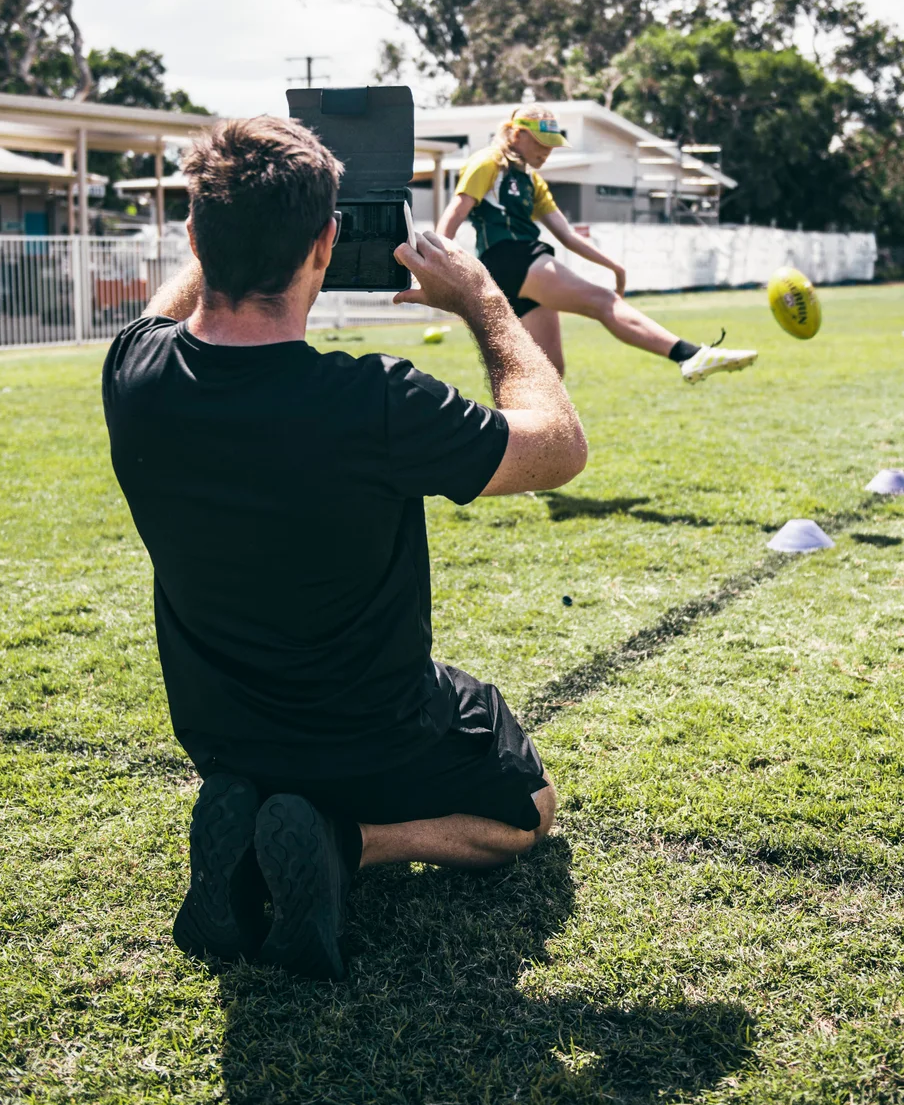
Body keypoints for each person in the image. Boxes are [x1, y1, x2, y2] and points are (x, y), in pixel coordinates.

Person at [101, 115, 587, 981]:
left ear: (193, 235)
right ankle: (347, 842)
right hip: (376, 737)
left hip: (227, 737)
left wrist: (239, 217)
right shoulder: (376, 402)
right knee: (528, 814)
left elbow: (173, 309)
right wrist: (482, 299)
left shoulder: (133, 375)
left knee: (309, 754)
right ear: (325, 243)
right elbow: (557, 445)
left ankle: (253, 832)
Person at [437, 105, 758, 382]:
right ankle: (689, 355)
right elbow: (455, 211)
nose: (546, 152)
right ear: (515, 134)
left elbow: (567, 235)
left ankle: (512, 435)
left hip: (517, 269)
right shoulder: (488, 162)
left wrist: (613, 265)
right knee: (603, 302)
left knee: (549, 371)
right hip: (511, 257)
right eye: (540, 143)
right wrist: (437, 262)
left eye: (551, 145)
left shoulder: (532, 180)